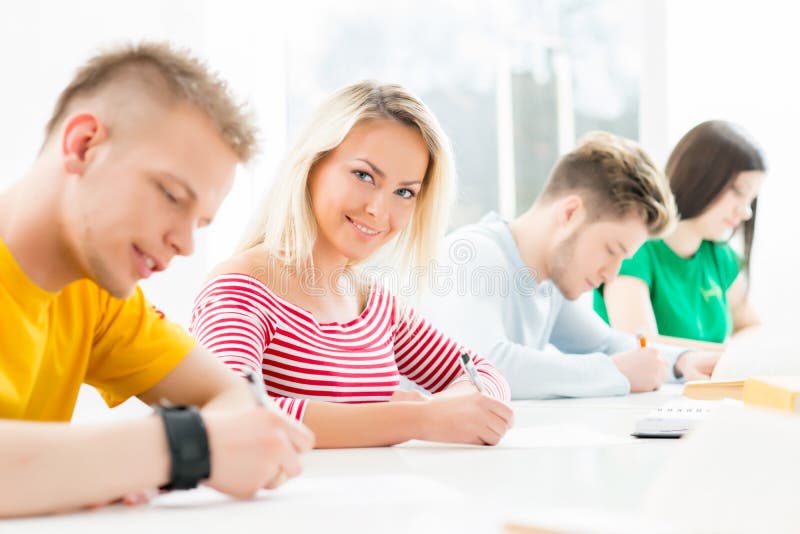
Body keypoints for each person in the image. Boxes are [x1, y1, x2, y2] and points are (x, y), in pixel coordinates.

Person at [0, 42, 312, 518]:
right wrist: (168, 451)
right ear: (84, 145)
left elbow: (233, 396)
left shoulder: (98, 299)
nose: (185, 244)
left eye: (201, 223)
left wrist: (122, 462)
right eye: (171, 195)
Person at [190, 81, 513, 448]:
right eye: (364, 176)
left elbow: (483, 371)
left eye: (404, 192)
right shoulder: (241, 290)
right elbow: (232, 414)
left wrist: (462, 403)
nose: (379, 210)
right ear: (312, 165)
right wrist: (418, 418)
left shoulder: (374, 305)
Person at [421, 132, 717, 399]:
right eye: (611, 250)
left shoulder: (549, 282)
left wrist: (681, 362)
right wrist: (614, 373)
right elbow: (484, 365)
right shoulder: (474, 254)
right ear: (571, 213)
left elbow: (606, 345)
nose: (611, 273)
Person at [595, 121, 765, 348]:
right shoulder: (636, 249)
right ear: (699, 177)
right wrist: (726, 354)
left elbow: (753, 330)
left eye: (751, 199)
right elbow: (641, 345)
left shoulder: (719, 256)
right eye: (738, 191)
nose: (745, 211)